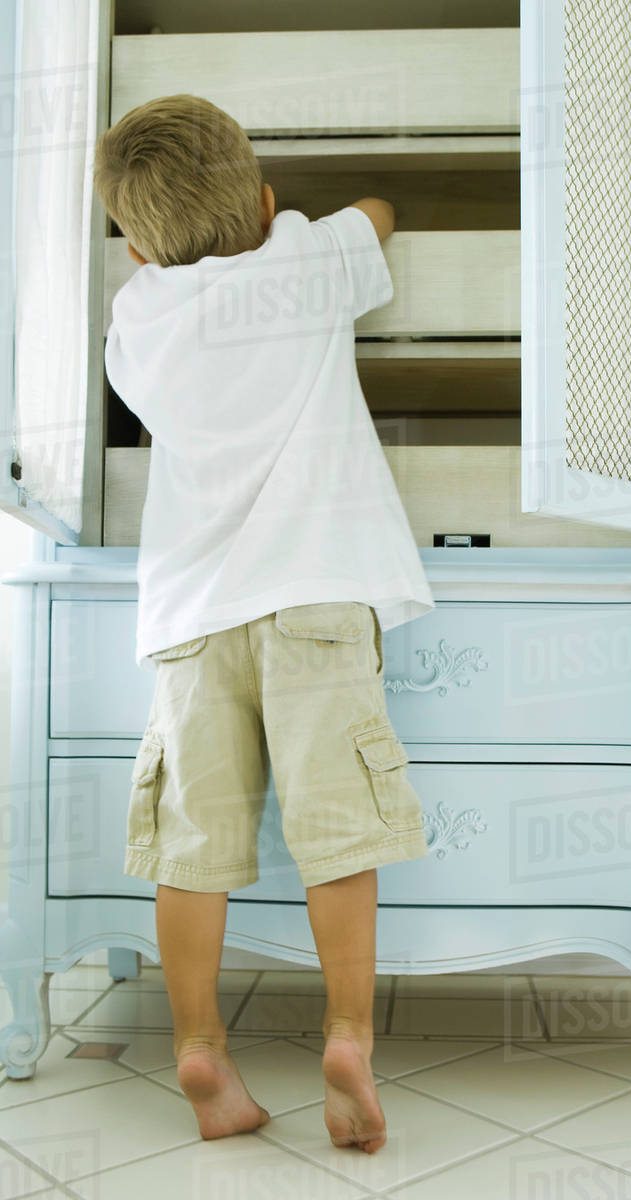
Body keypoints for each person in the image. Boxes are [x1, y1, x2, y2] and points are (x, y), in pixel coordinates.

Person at [93, 92, 435, 1154]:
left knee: (192, 849)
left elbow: (170, 283)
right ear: (266, 199)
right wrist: (295, 221)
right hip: (317, 600)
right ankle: (345, 1038)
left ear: (138, 244)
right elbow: (379, 208)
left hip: (196, 626)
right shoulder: (309, 263)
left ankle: (200, 1045)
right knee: (338, 838)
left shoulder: (138, 319)